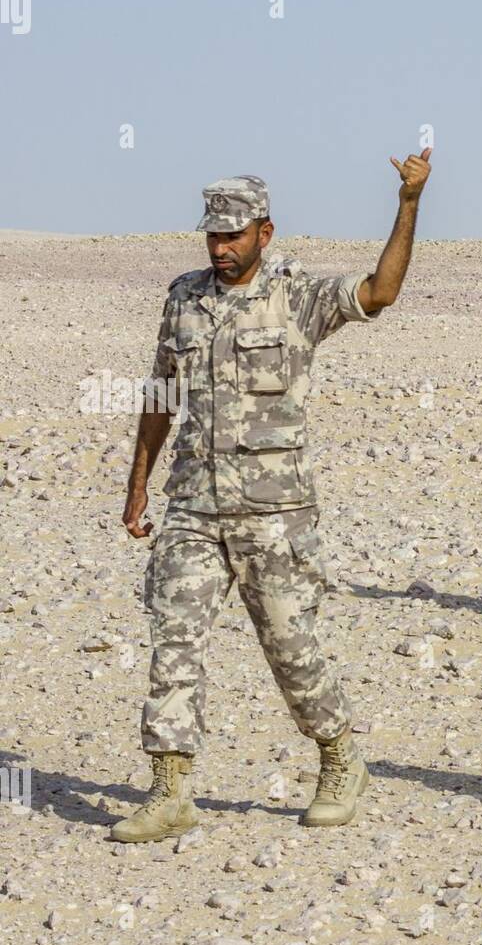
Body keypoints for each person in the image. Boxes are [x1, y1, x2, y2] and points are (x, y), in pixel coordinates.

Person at [114, 153, 431, 843]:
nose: (222, 249)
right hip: (193, 506)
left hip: (273, 513)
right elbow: (161, 394)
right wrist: (139, 483)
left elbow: (381, 292)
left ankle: (340, 758)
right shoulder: (184, 298)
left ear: (266, 231)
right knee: (174, 641)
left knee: (291, 648)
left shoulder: (300, 295)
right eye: (213, 237)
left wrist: (408, 201)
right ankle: (169, 789)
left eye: (235, 236)